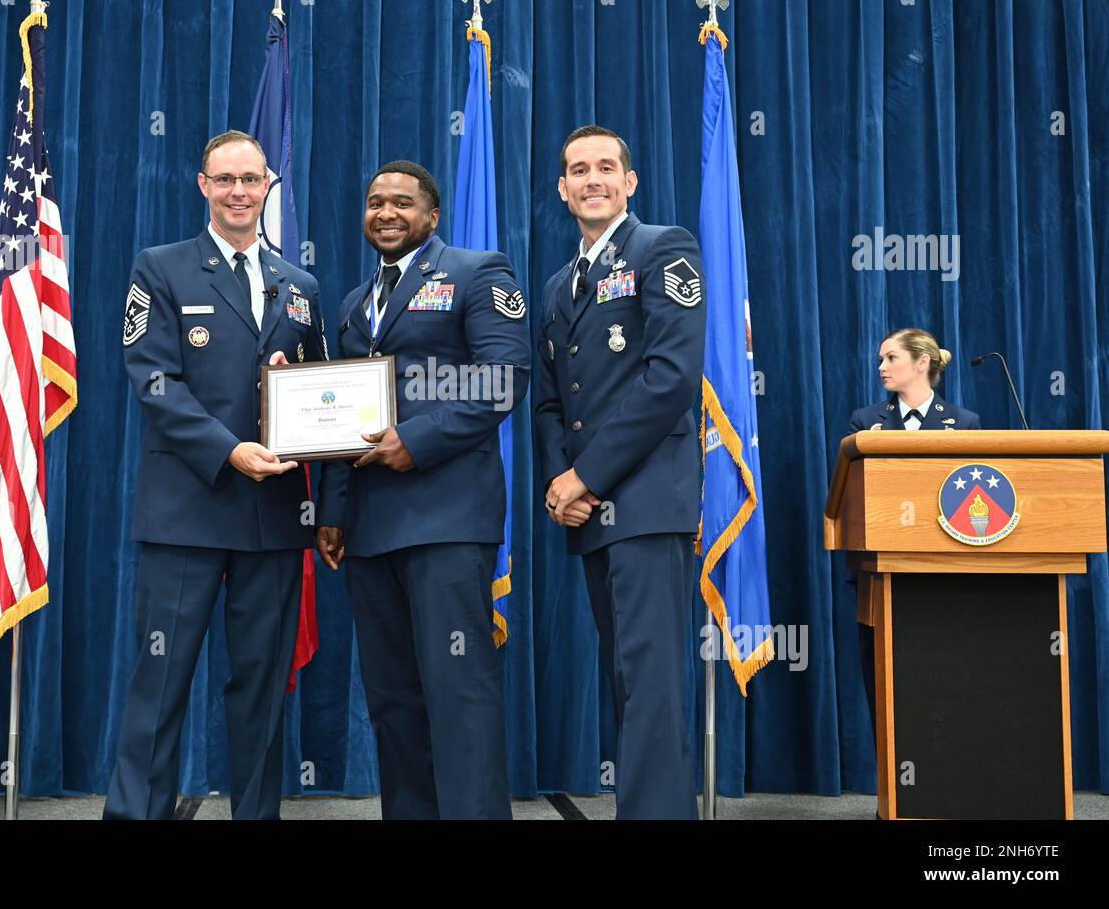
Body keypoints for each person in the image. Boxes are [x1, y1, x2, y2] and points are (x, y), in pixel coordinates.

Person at [105, 130, 327, 820]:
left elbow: (327, 392)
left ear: (269, 187)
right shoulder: (161, 268)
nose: (239, 191)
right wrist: (229, 449)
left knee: (261, 690)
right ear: (203, 185)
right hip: (189, 512)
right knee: (160, 683)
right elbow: (154, 381)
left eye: (251, 180)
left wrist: (312, 395)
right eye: (224, 179)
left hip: (273, 517)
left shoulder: (301, 285)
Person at [315, 160, 530, 819]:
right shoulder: (354, 305)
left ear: (431, 216)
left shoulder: (476, 272)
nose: (386, 213)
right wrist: (332, 511)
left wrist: (420, 439)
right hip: (372, 531)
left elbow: (504, 379)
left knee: (458, 694)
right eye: (376, 201)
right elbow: (342, 416)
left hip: (446, 523)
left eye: (402, 203)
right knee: (393, 701)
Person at [533, 125, 707, 819]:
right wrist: (558, 482)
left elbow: (669, 380)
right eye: (579, 170)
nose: (593, 179)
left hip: (645, 503)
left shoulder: (663, 249)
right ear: (563, 189)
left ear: (630, 182)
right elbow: (550, 399)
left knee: (652, 685)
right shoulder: (556, 284)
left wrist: (589, 477)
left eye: (606, 167)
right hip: (589, 510)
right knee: (628, 681)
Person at [847, 327, 981, 752]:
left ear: (922, 363)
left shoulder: (963, 424)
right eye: (881, 360)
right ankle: (894, 788)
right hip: (883, 573)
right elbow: (852, 495)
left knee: (944, 684)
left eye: (891, 358)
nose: (881, 367)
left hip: (946, 576)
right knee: (889, 685)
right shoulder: (866, 423)